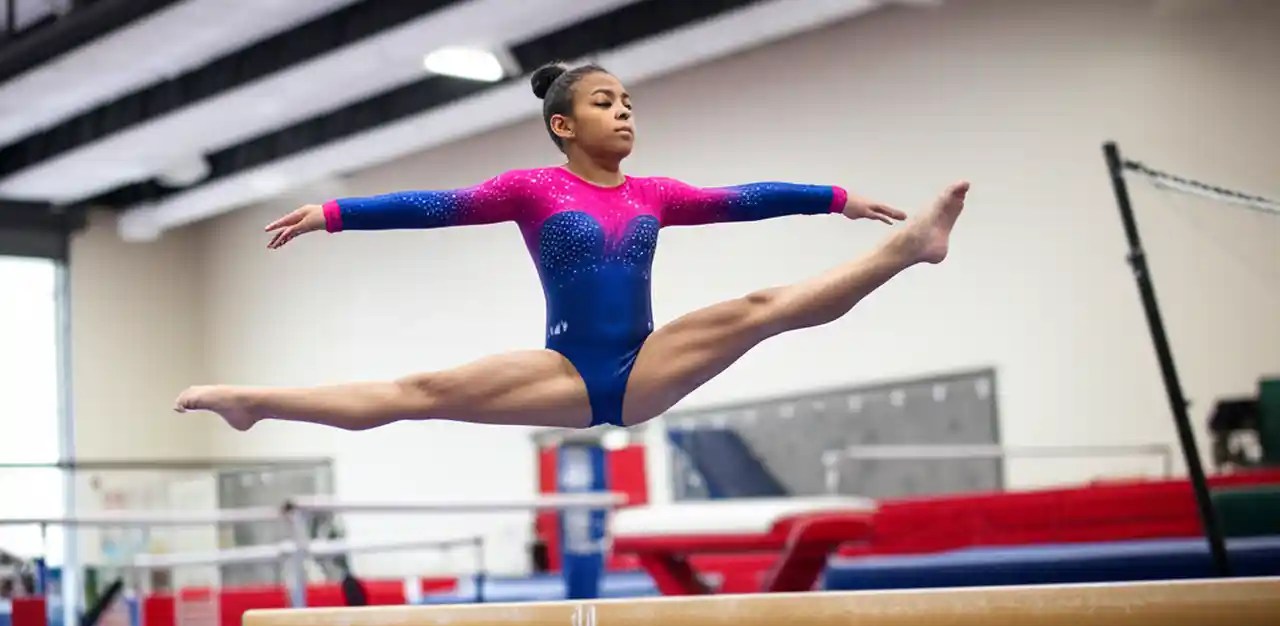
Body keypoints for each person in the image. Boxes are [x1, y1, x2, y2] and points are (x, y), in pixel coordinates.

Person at [175, 62, 968, 432]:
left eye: (627, 102)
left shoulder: (654, 196)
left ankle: (907, 249)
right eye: (603, 103)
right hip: (561, 373)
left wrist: (834, 199)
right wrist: (336, 213)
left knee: (760, 309)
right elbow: (435, 206)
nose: (624, 113)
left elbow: (744, 200)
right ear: (564, 125)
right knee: (415, 391)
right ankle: (256, 404)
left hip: (644, 363)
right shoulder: (531, 189)